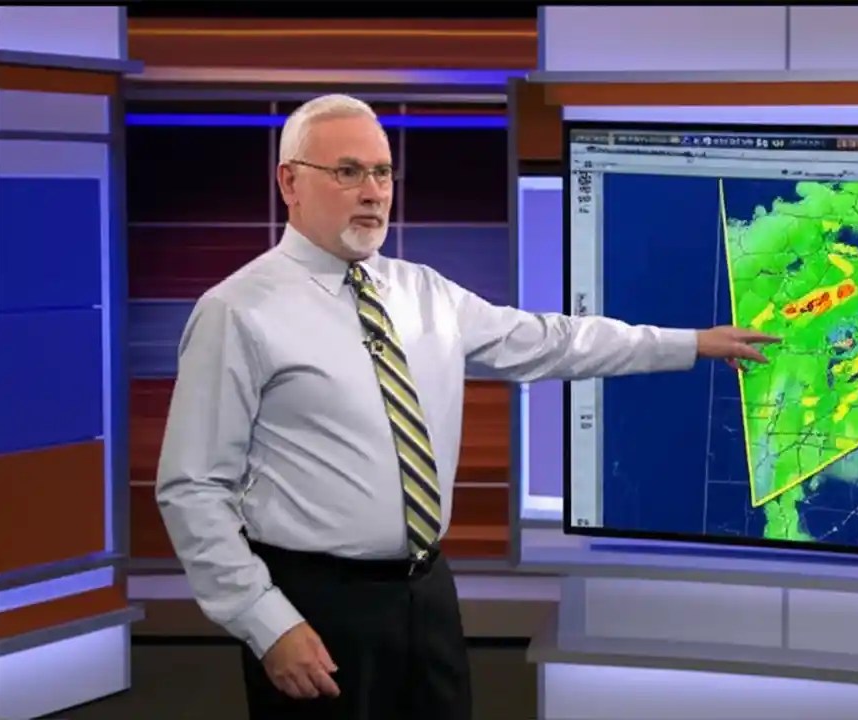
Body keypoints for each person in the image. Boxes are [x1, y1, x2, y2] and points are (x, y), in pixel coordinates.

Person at [154, 93, 777, 720]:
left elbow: (552, 341)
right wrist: (266, 621)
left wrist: (691, 344)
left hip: (427, 593)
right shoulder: (238, 311)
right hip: (313, 602)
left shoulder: (422, 292)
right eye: (347, 172)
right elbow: (192, 488)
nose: (372, 191)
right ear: (289, 181)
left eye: (382, 171)